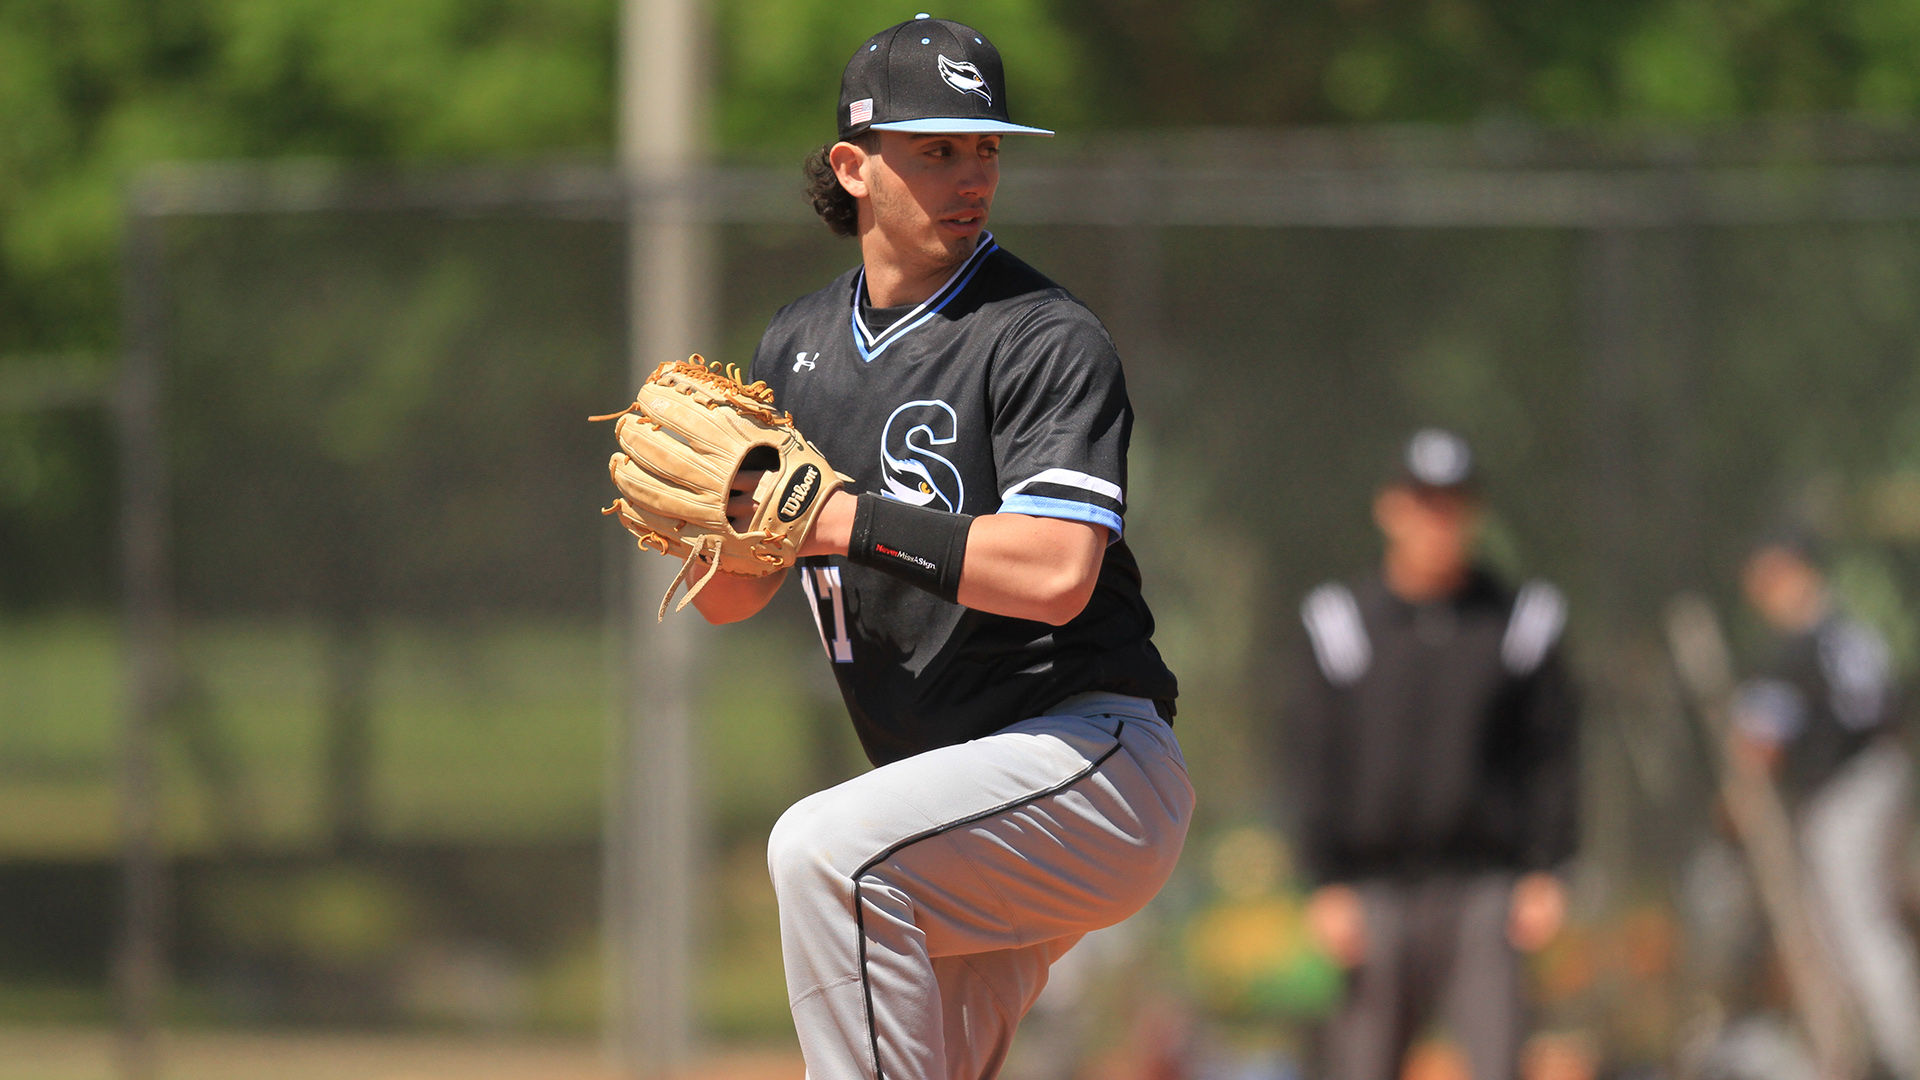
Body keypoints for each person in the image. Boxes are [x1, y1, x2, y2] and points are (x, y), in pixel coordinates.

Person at [686, 16, 1193, 1080]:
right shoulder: (794, 347)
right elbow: (732, 603)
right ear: (853, 166)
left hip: (1088, 761)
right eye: (937, 149)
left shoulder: (1043, 337)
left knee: (823, 855)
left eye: (987, 148)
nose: (972, 176)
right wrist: (722, 526)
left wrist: (840, 517)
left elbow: (1058, 575)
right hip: (951, 807)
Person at [1283, 429, 1580, 1080]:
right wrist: (1323, 880)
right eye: (1423, 501)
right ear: (1390, 507)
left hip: (1486, 894)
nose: (1436, 521)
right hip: (1372, 894)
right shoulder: (1341, 625)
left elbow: (1552, 752)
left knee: (1499, 1061)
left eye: (1452, 503)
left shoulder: (1519, 623)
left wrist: (1548, 868)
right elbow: (1312, 758)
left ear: (1475, 512)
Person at [1732, 535, 1920, 1080]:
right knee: (1859, 925)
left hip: (1845, 791)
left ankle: (1903, 1056)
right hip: (1887, 773)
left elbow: (1760, 745)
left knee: (1860, 929)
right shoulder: (1851, 631)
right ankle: (1865, 1051)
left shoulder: (1799, 648)